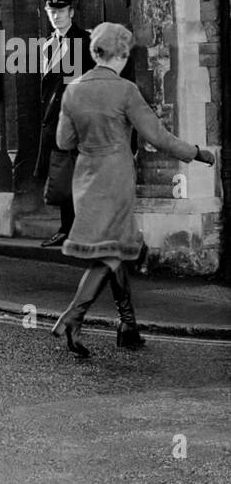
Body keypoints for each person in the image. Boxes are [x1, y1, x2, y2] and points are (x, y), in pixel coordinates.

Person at [51, 22, 215, 357]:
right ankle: (73, 317)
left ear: (95, 52)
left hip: (85, 179)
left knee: (116, 249)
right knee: (111, 252)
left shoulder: (73, 90)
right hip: (115, 179)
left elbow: (63, 141)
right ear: (122, 55)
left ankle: (128, 326)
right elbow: (158, 137)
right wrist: (197, 152)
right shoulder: (124, 90)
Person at [34, 0, 91, 247]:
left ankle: (83, 229)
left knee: (81, 176)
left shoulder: (85, 41)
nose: (56, 16)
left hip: (79, 120)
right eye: (51, 12)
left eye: (60, 11)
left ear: (71, 12)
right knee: (62, 176)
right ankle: (67, 228)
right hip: (54, 120)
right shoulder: (47, 45)